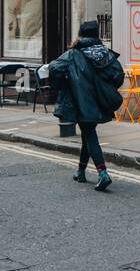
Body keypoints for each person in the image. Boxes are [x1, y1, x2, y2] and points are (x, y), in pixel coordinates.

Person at [40, 21, 125, 192]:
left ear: (81, 34)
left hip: (82, 101)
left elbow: (55, 68)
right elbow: (118, 76)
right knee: (88, 134)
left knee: (89, 134)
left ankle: (103, 174)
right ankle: (81, 171)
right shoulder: (105, 54)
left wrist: (63, 83)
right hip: (100, 101)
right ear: (96, 35)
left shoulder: (73, 54)